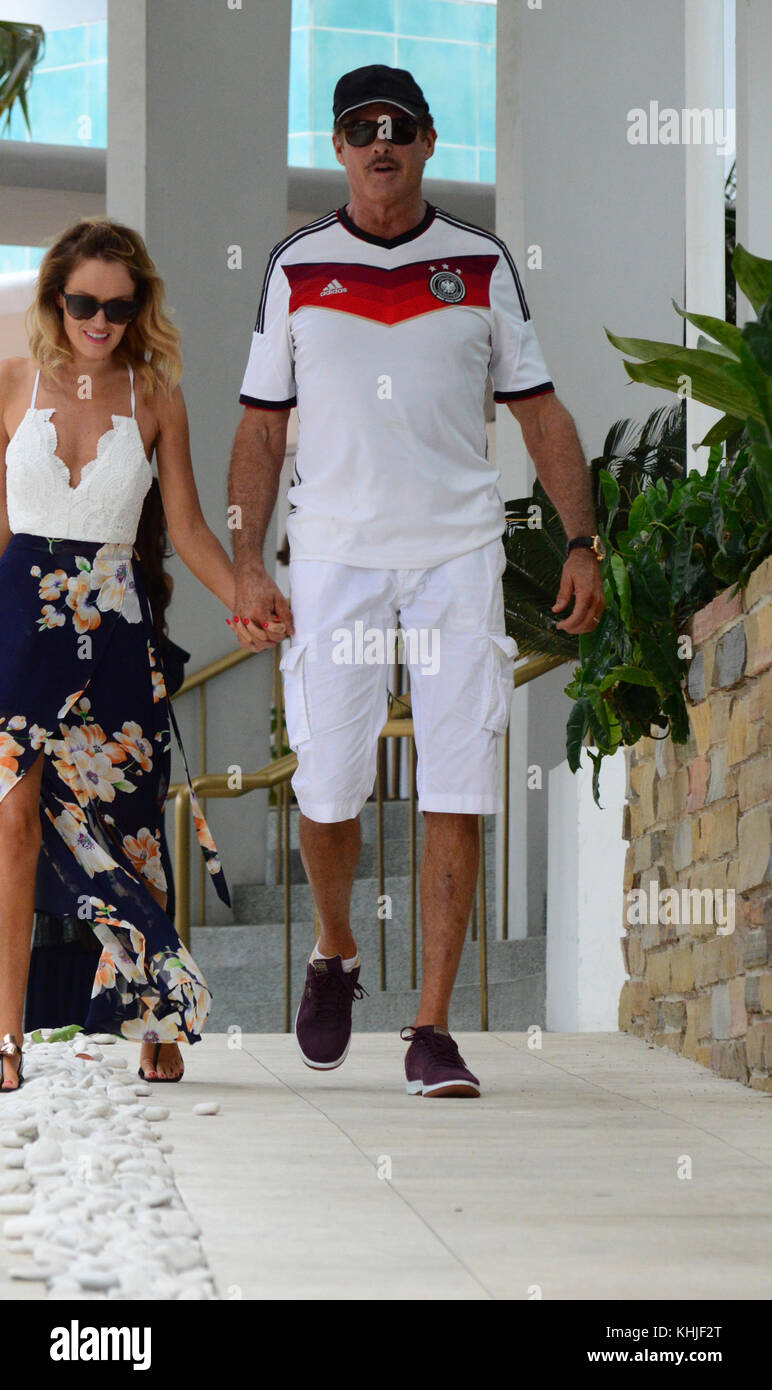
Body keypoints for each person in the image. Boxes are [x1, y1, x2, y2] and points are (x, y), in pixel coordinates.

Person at [228, 65, 605, 1098]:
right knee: (327, 780)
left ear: (430, 143)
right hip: (337, 558)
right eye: (361, 128)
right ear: (340, 147)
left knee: (457, 784)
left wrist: (584, 540)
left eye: (399, 128)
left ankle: (432, 1028)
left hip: (456, 555)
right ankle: (335, 953)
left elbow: (540, 411)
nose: (380, 143)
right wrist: (248, 559)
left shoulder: (478, 262)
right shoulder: (297, 264)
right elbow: (261, 429)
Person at [0, 217, 235, 1089]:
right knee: (13, 828)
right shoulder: (11, 384)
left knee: (132, 832)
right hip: (20, 631)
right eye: (84, 304)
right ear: (55, 298)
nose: (100, 321)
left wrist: (247, 598)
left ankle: (153, 1014)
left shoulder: (156, 395)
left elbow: (189, 531)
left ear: (139, 310)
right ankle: (7, 1039)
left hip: (114, 637)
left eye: (119, 307)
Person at [23, 478, 191, 1039]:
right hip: (33, 645)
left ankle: (151, 1018)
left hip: (117, 663)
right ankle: (26, 1032)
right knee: (38, 836)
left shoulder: (135, 565)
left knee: (136, 843)